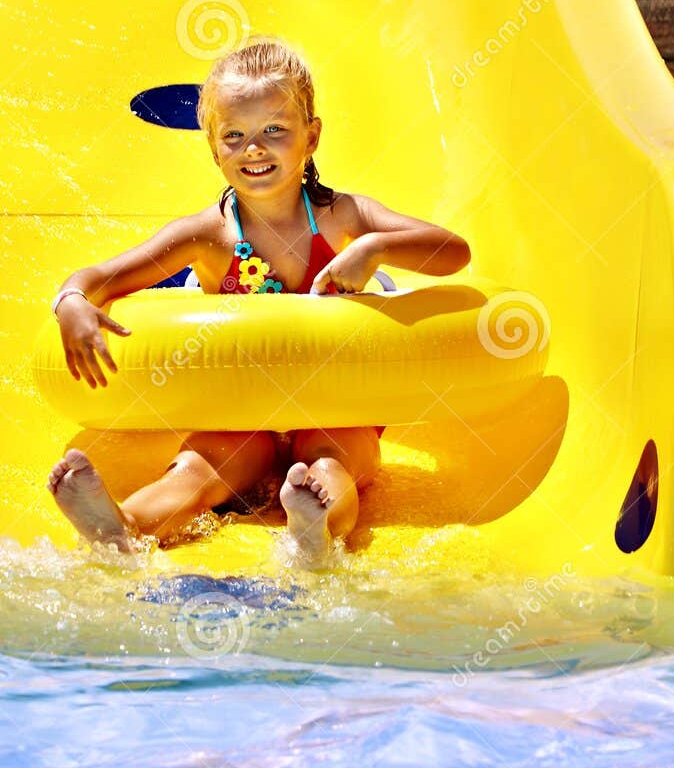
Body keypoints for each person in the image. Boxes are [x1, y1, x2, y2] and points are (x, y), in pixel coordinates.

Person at [46, 37, 471, 565]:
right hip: (240, 416)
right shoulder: (208, 237)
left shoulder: (346, 219)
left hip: (337, 409)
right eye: (235, 135)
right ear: (213, 147)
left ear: (311, 136)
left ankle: (316, 533)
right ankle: (122, 525)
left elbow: (453, 252)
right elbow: (101, 276)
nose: (254, 148)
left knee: (335, 462)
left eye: (275, 130)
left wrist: (376, 248)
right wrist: (71, 302)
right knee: (201, 468)